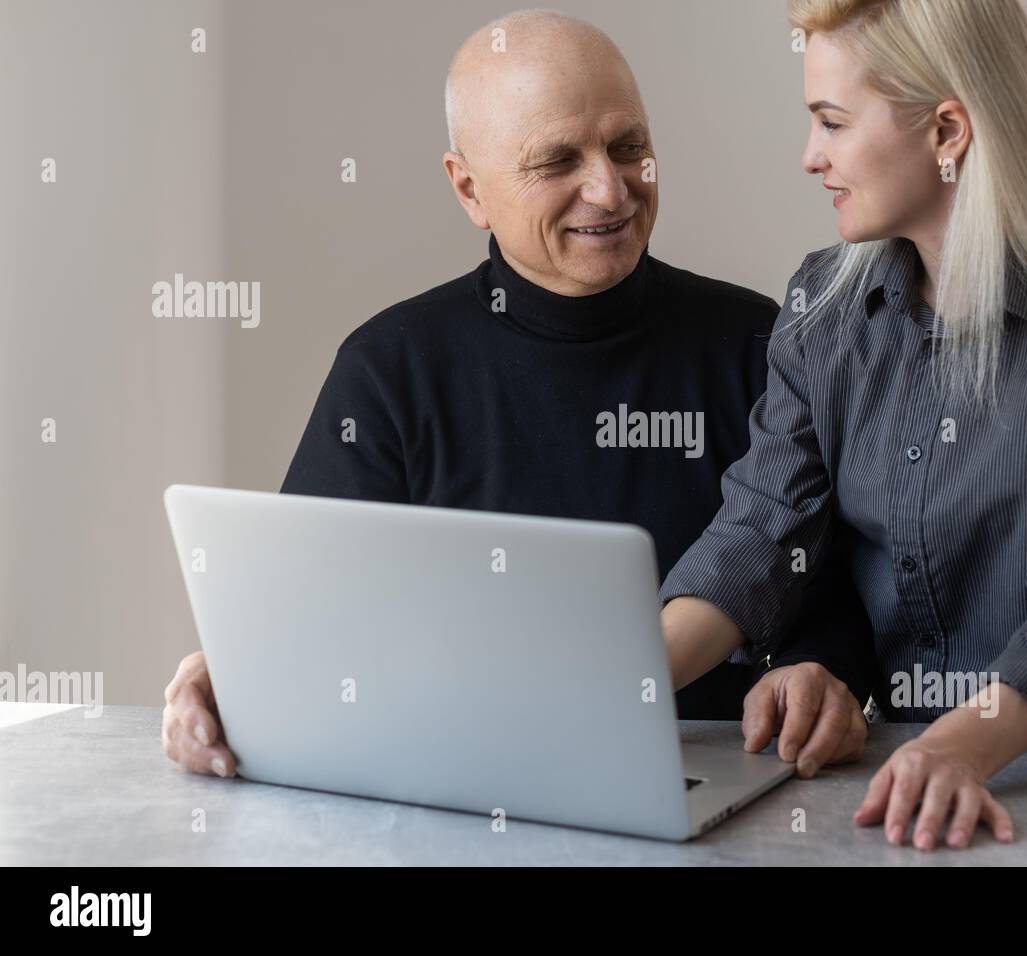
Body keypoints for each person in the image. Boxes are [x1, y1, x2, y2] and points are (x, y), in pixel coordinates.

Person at [162, 10, 872, 779]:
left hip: (717, 777)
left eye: (629, 147)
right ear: (470, 188)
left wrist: (819, 675)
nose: (609, 189)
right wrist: (232, 672)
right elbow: (302, 621)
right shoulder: (388, 370)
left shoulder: (759, 341)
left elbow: (834, 599)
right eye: (557, 161)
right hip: (467, 779)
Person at [661, 0, 1027, 850]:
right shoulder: (823, 309)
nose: (810, 156)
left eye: (832, 123)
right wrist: (611, 690)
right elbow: (758, 534)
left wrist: (954, 749)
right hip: (908, 772)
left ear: (948, 131)